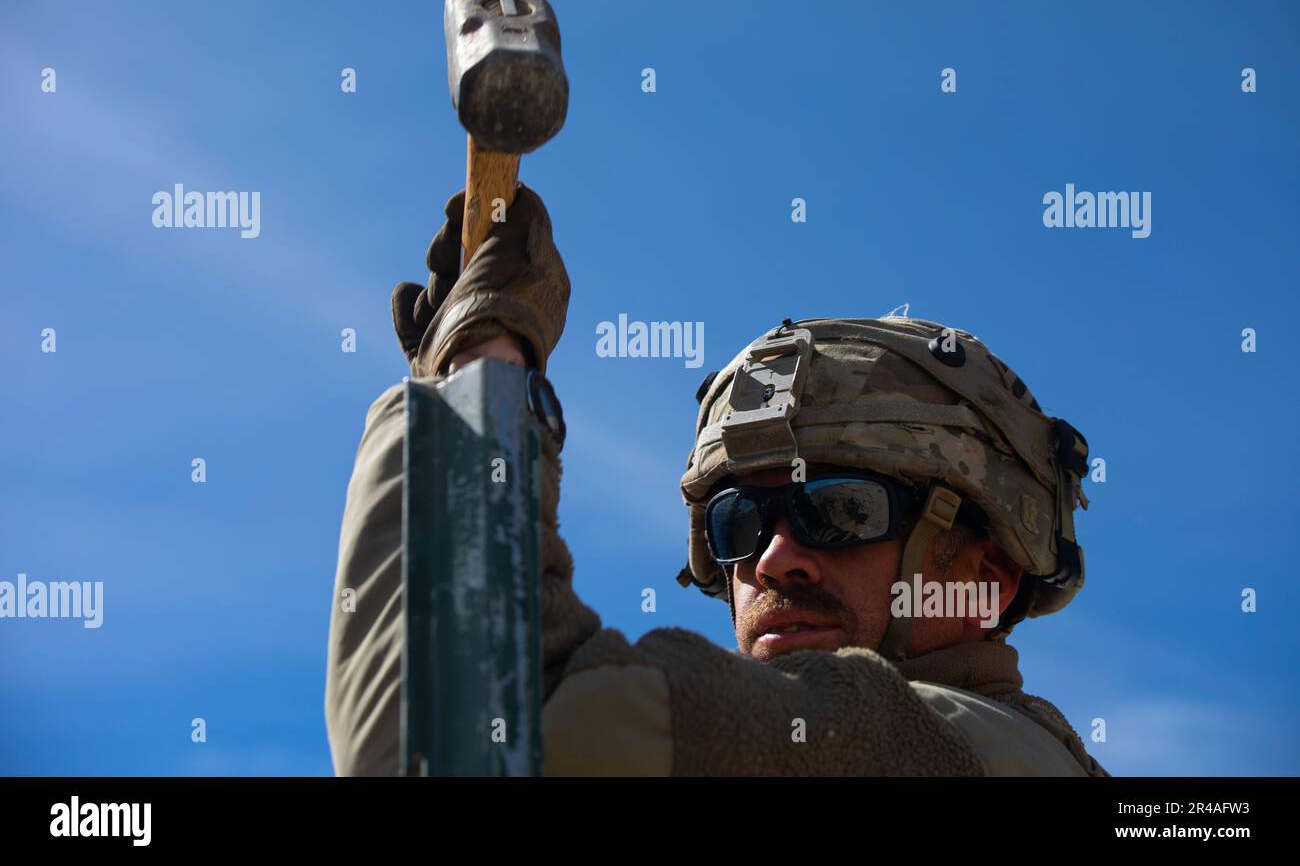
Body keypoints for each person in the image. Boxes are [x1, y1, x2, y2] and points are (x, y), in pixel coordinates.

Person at [325, 185, 1108, 776]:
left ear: (986, 579)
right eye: (738, 522)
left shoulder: (953, 745)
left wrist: (481, 383)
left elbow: (485, 733)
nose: (772, 560)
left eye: (839, 510)